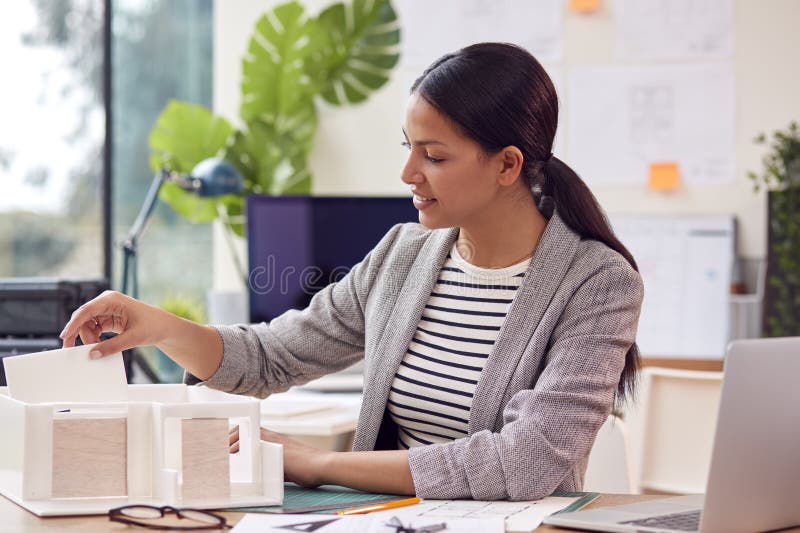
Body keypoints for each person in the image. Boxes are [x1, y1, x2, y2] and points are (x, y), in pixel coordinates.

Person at [60, 42, 643, 501]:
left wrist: (318, 464)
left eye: (434, 156)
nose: (408, 172)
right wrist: (158, 326)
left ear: (508, 165)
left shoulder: (597, 282)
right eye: (408, 147)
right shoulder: (402, 255)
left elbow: (526, 460)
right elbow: (270, 356)